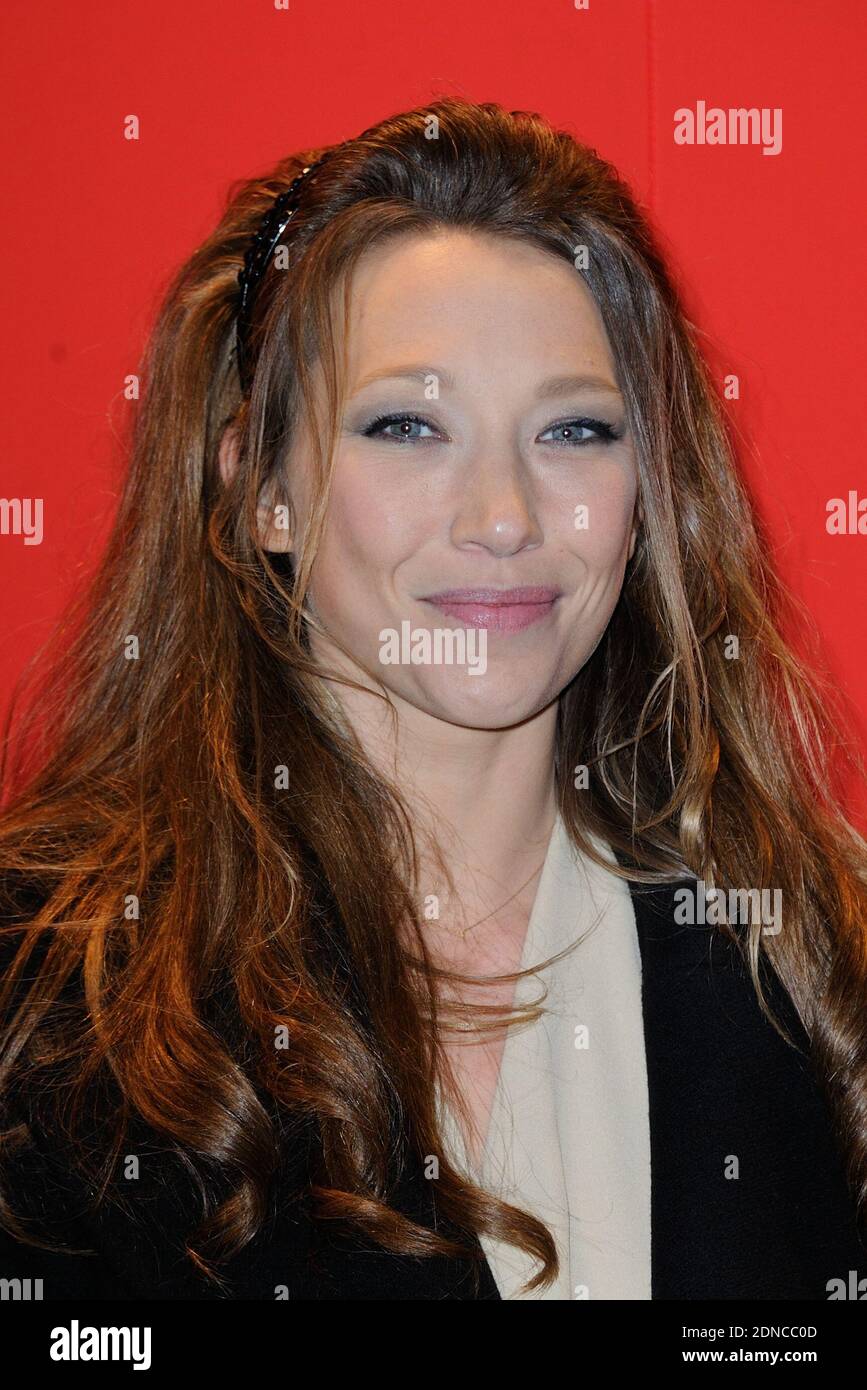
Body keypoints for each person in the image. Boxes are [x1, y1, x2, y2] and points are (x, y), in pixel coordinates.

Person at [1, 97, 865, 1301]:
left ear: (650, 490)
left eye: (574, 429)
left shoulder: (808, 951)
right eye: (408, 425)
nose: (504, 517)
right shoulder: (51, 985)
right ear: (261, 485)